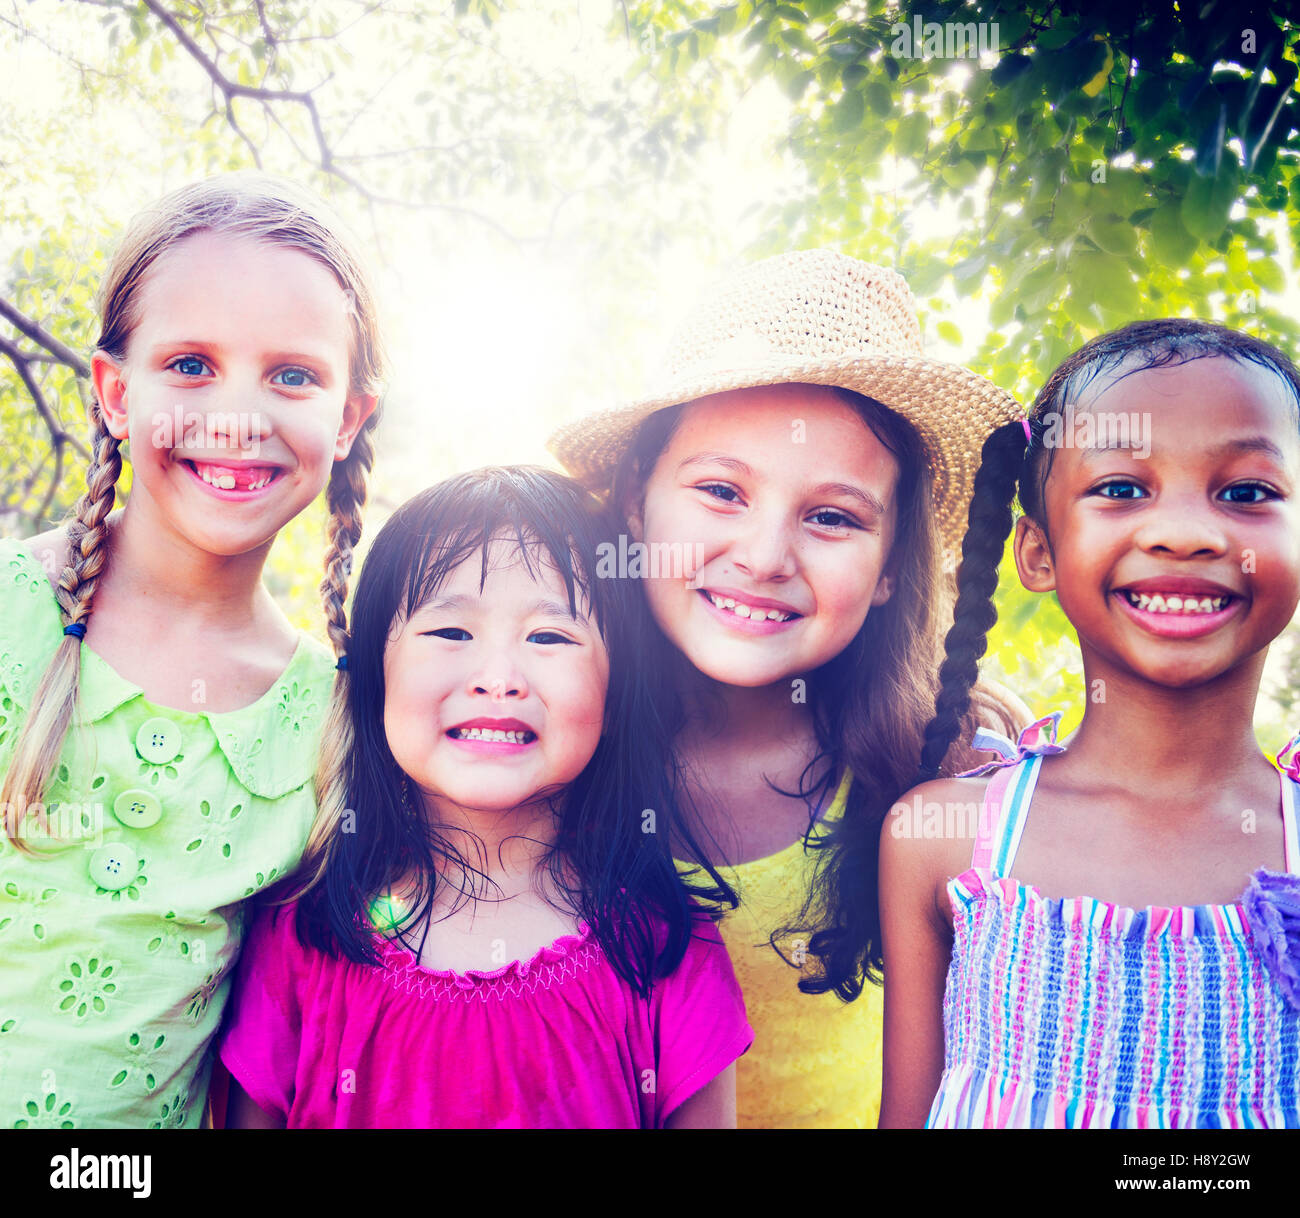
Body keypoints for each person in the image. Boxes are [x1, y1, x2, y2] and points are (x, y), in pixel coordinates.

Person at [550, 249, 1026, 1126]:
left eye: (832, 517)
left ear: (890, 566)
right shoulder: (533, 736)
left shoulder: (954, 775)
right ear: (633, 504)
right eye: (722, 491)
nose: (766, 556)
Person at [0, 172, 382, 1127]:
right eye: (191, 366)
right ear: (115, 393)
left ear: (347, 419)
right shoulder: (14, 614)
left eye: (292, 374)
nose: (238, 418)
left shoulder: (328, 718)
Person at [220, 467, 753, 1127]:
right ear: (373, 679)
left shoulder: (669, 952)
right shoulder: (301, 936)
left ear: (617, 695)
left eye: (550, 638)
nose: (498, 679)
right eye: (450, 633)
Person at [883, 319, 1300, 1127]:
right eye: (1120, 488)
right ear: (1036, 553)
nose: (1183, 532)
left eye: (1246, 492)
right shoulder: (942, 836)